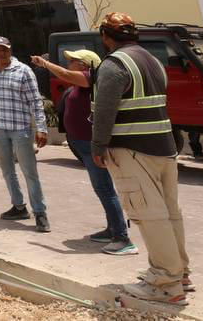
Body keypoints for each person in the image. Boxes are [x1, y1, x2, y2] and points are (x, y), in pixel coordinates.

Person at [91, 12, 190, 306]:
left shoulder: (115, 64)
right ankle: (180, 272)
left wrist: (98, 146)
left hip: (132, 150)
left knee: (148, 215)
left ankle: (165, 283)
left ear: (106, 36)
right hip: (163, 147)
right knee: (170, 213)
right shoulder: (152, 61)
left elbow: (105, 110)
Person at [32, 49, 136, 255]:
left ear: (84, 65)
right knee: (103, 188)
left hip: (91, 145)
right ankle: (112, 229)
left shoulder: (91, 78)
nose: (68, 63)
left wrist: (45, 65)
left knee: (105, 189)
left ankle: (122, 238)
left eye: (73, 60)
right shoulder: (80, 84)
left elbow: (65, 74)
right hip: (82, 144)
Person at [0, 36, 50, 233]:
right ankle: (19, 206)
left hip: (20, 128)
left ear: (10, 50)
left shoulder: (23, 71)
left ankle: (40, 212)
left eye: (4, 49)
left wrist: (41, 128)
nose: (1, 53)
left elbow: (35, 102)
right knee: (7, 170)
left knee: (29, 171)